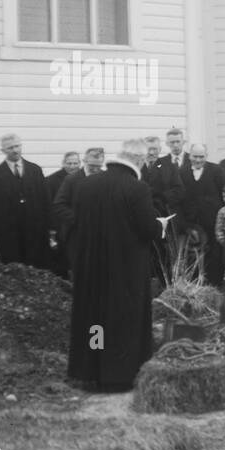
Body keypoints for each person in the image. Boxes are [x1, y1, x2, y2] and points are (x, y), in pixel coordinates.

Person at [66, 138, 164, 392]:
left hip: (90, 266)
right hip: (124, 268)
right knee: (122, 319)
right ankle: (118, 374)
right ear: (139, 160)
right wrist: (160, 226)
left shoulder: (86, 185)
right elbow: (147, 228)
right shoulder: (137, 188)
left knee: (95, 318)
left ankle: (91, 369)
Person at [0, 133, 50, 268]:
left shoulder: (35, 170)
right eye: (10, 148)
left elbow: (45, 200)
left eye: (17, 146)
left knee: (35, 266)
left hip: (34, 230)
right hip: (7, 231)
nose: (15, 150)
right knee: (12, 267)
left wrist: (50, 227)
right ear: (3, 151)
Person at [179, 143, 225, 286]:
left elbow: (223, 193)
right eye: (195, 156)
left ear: (206, 156)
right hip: (191, 221)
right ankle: (195, 282)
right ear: (190, 156)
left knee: (214, 251)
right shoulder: (182, 172)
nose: (198, 160)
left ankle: (214, 282)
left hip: (213, 219)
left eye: (201, 157)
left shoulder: (217, 170)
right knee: (193, 252)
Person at [44, 151, 82, 276]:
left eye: (75, 163)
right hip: (60, 226)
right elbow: (50, 205)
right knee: (61, 258)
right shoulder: (52, 180)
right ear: (63, 163)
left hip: (81, 225)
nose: (72, 166)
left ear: (80, 163)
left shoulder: (87, 178)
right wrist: (52, 229)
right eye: (69, 163)